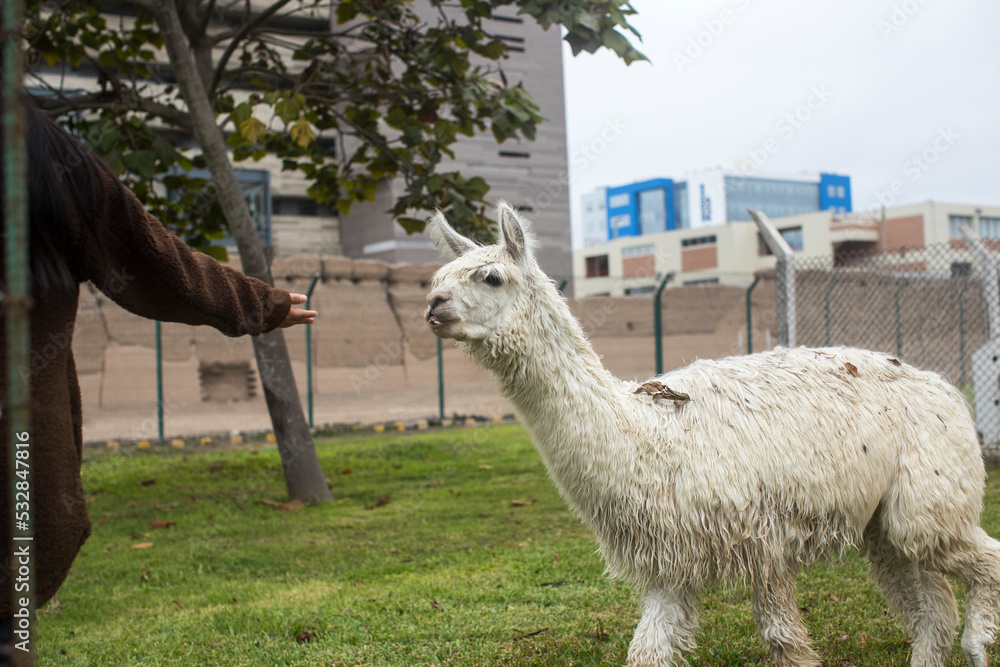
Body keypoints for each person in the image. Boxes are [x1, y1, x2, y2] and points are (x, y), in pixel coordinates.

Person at [0, 106, 318, 629]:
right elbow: (155, 261)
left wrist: (263, 304)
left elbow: (153, 258)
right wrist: (263, 304)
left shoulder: (40, 149)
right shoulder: (39, 149)